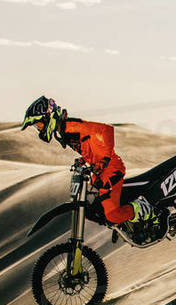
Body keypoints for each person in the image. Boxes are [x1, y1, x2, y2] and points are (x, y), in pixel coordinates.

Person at [21, 96, 155, 226]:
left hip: (111, 169)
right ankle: (126, 224)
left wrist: (106, 158)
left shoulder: (72, 127)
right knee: (88, 211)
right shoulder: (65, 132)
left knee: (112, 215)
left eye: (39, 124)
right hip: (98, 172)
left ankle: (146, 211)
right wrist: (83, 159)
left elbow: (107, 130)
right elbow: (90, 148)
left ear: (48, 117)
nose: (39, 129)